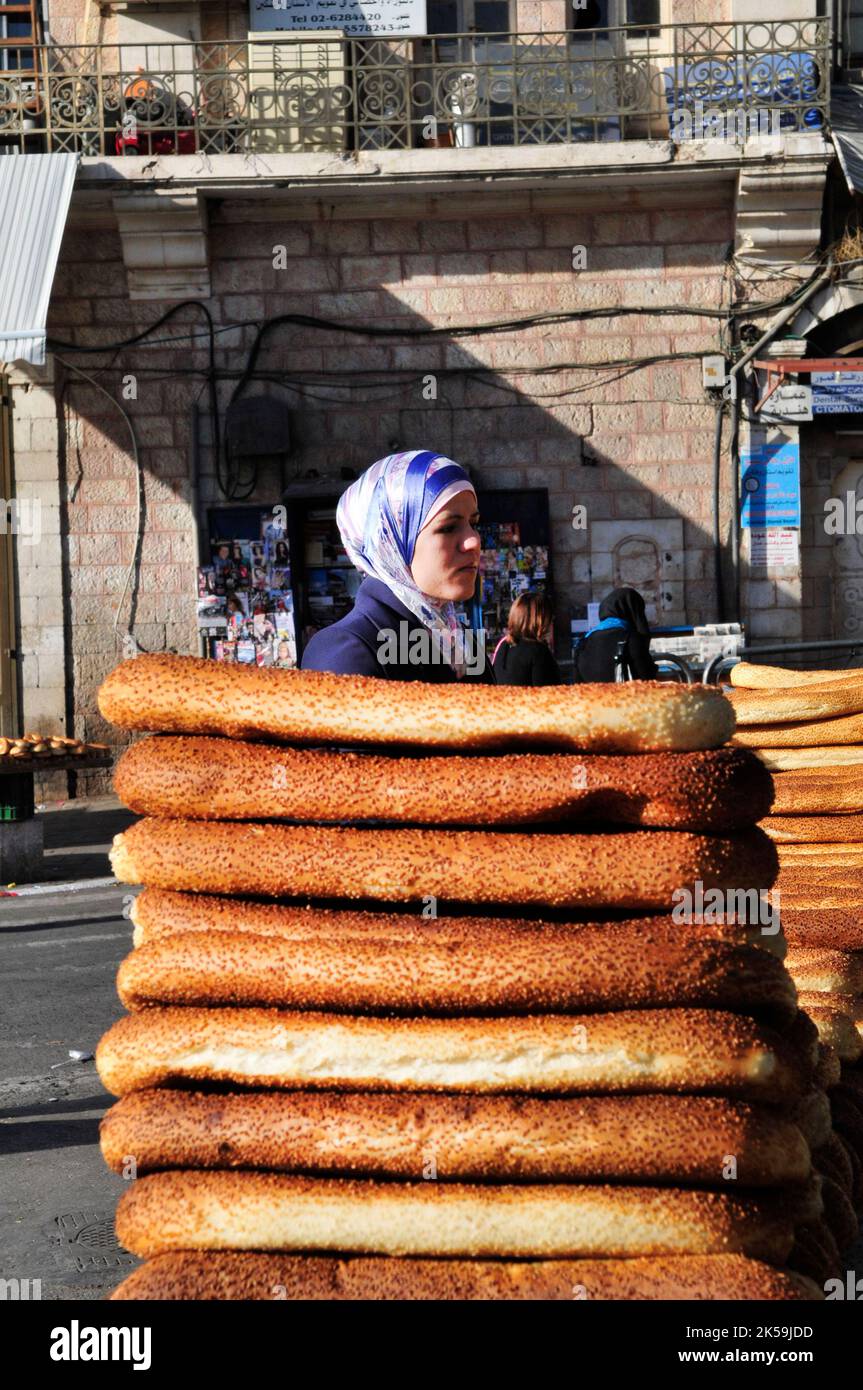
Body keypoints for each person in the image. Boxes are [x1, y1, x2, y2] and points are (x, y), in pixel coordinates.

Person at [301, 449, 493, 682]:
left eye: (474, 523)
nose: (473, 541)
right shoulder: (346, 652)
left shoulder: (460, 641)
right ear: (390, 542)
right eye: (448, 528)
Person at [573, 586, 659, 683]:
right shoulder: (631, 639)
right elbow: (647, 679)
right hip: (624, 697)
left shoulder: (583, 641)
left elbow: (578, 684)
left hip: (591, 697)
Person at [492, 591, 563, 686]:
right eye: (550, 617)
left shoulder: (504, 646)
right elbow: (550, 693)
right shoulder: (538, 651)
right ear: (541, 620)